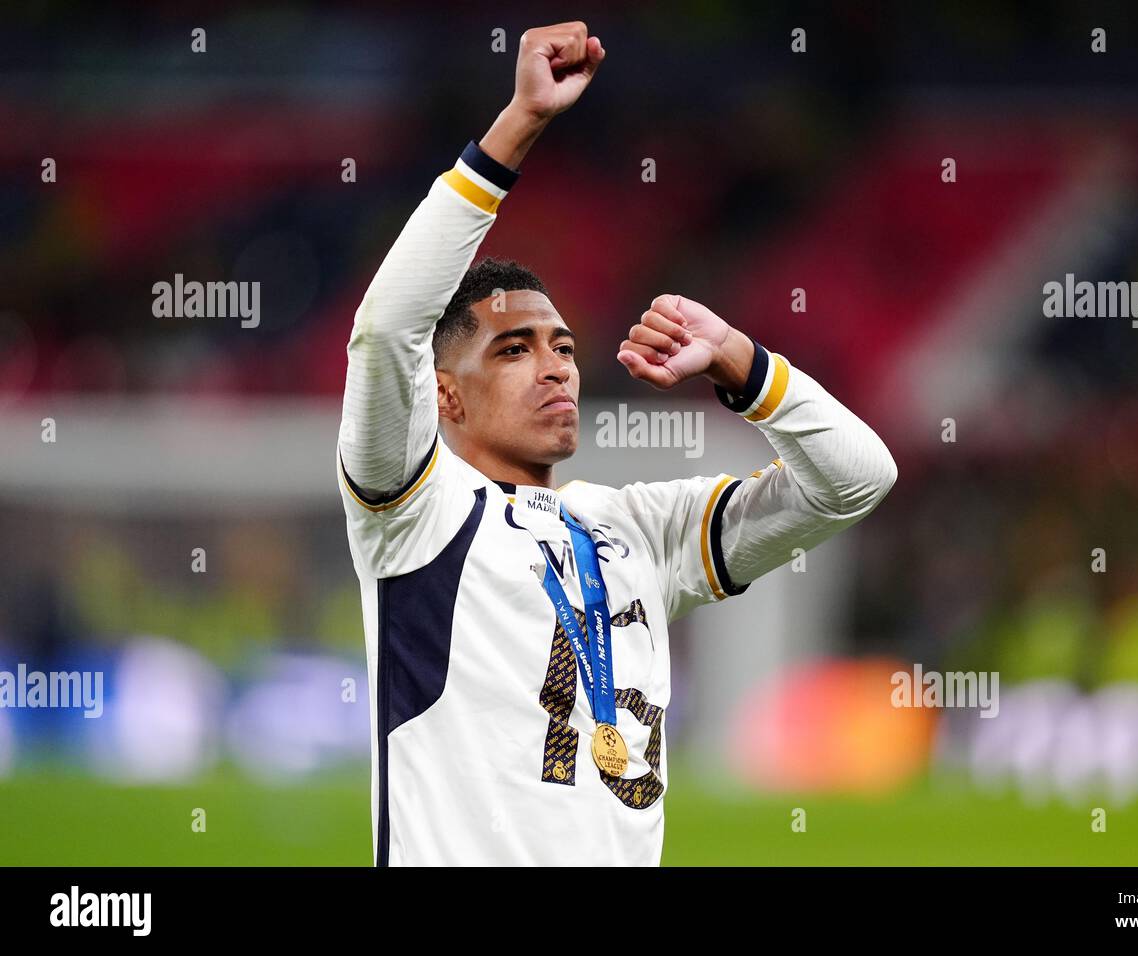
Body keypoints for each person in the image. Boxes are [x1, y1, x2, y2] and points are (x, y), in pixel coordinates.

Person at [337, 21, 897, 865]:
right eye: (514, 349)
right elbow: (386, 330)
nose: (555, 367)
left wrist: (743, 364)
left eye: (562, 345)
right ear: (444, 394)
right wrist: (518, 124)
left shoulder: (636, 529)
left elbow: (856, 480)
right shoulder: (414, 515)